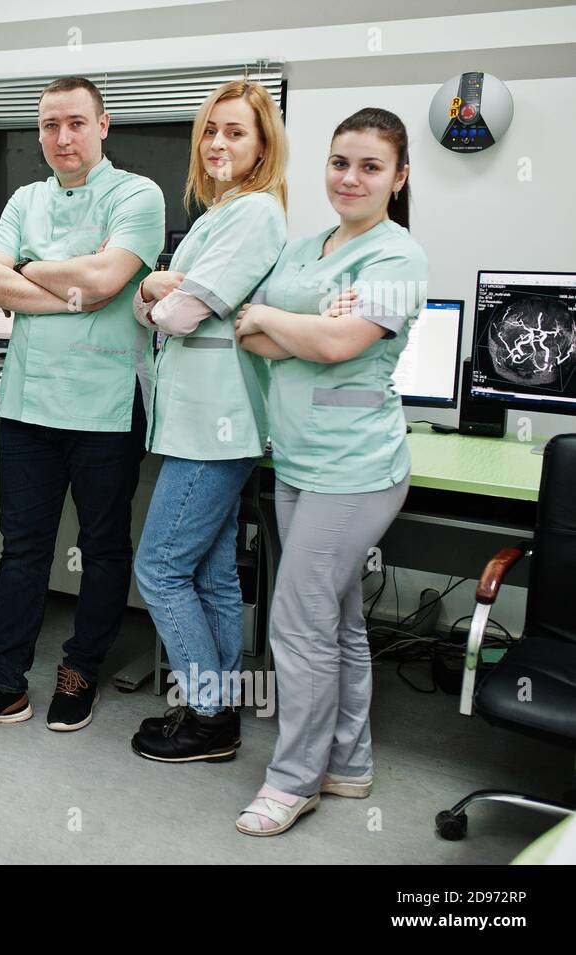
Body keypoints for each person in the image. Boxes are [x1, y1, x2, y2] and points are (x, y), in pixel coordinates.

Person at [0, 76, 164, 734]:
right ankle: (4, 681)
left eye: (76, 123)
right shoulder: (25, 198)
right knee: (20, 548)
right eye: (50, 125)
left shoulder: (136, 195)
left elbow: (113, 278)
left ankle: (81, 667)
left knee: (105, 546)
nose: (62, 137)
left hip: (106, 405)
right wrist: (74, 272)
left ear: (103, 125)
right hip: (30, 404)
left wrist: (31, 268)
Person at [233, 107, 427, 835]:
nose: (351, 177)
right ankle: (348, 761)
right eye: (341, 162)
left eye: (371, 166)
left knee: (297, 619)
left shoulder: (398, 256)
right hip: (299, 459)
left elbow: (342, 344)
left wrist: (293, 323)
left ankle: (292, 780)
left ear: (399, 177)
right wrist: (302, 325)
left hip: (357, 468)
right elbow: (258, 337)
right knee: (337, 616)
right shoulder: (308, 246)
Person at [129, 80, 288, 763]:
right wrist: (156, 290)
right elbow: (153, 307)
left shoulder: (255, 216)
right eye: (211, 130)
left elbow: (175, 314)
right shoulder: (216, 214)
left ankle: (209, 710)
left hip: (214, 428)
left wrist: (160, 288)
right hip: (198, 422)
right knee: (213, 574)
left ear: (263, 146)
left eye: (236, 132)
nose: (218, 143)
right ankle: (217, 713)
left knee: (159, 567)